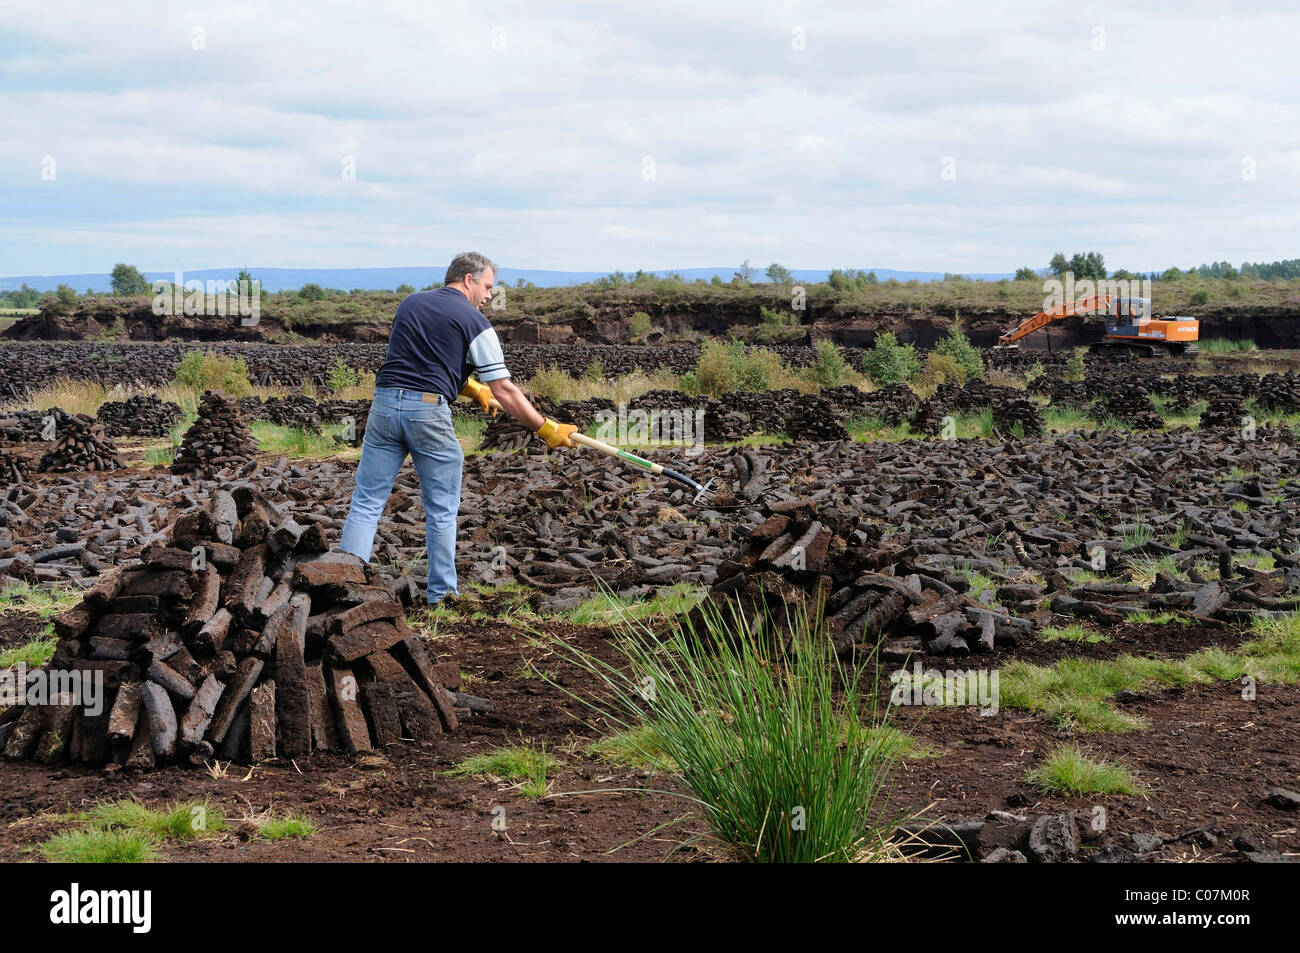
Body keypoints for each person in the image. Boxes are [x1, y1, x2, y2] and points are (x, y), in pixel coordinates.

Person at [339, 251, 577, 603]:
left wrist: (470, 387)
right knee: (441, 508)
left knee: (366, 502)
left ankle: (343, 583)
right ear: (468, 279)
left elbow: (418, 361)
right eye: (487, 286)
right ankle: (441, 596)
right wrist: (544, 428)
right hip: (428, 413)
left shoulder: (410, 305)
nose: (490, 295)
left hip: (385, 406)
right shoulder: (475, 321)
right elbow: (505, 389)